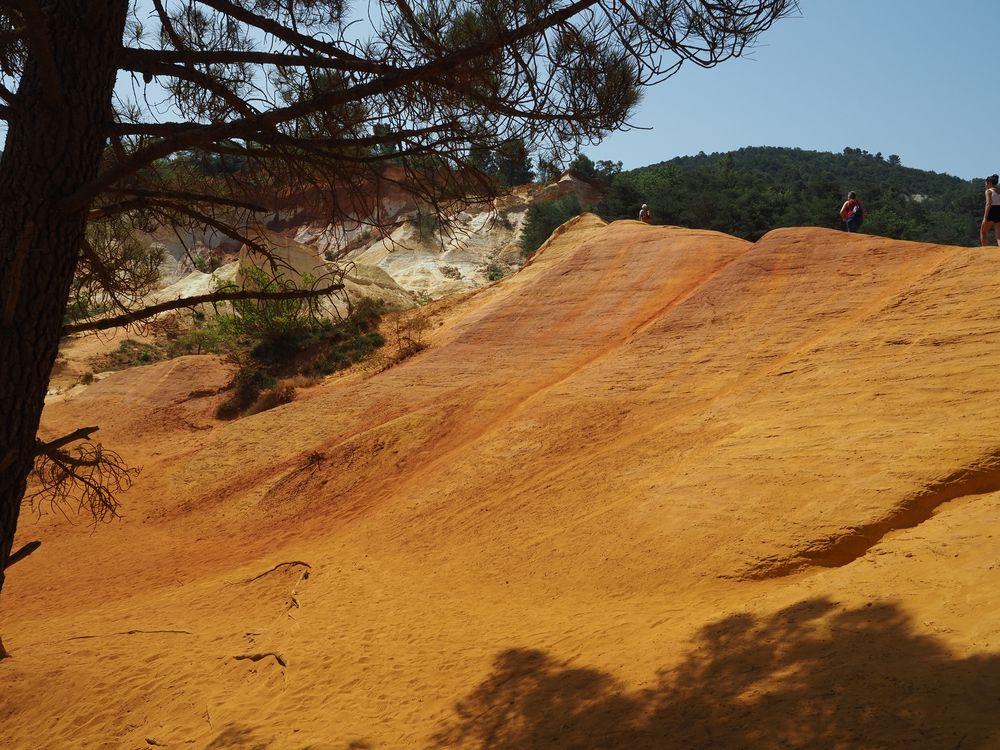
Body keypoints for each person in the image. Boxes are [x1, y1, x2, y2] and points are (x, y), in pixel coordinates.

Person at [980, 174, 1000, 246]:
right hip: (999, 210)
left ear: (989, 183)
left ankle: (984, 250)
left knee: (983, 232)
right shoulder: (999, 191)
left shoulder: (988, 191)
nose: (985, 185)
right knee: (998, 235)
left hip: (991, 211)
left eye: (985, 183)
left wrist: (985, 218)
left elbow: (988, 204)